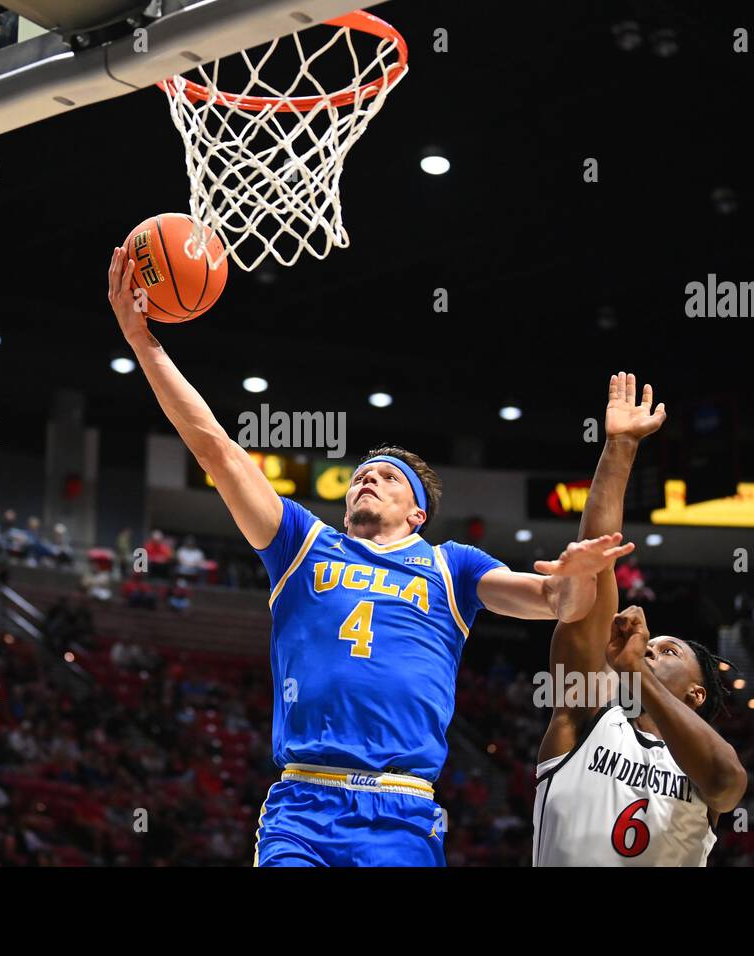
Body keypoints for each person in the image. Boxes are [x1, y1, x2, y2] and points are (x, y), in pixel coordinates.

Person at [109, 249, 630, 867]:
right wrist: (145, 343)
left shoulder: (451, 566)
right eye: (359, 476)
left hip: (401, 812)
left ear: (417, 514)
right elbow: (216, 449)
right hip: (301, 806)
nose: (366, 481)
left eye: (386, 477)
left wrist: (577, 575)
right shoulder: (300, 543)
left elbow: (555, 605)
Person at [533, 373, 746, 866]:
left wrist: (637, 674)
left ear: (696, 695)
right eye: (654, 644)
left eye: (668, 651)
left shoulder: (703, 767)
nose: (649, 646)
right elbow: (597, 561)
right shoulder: (586, 712)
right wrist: (621, 448)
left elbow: (727, 783)